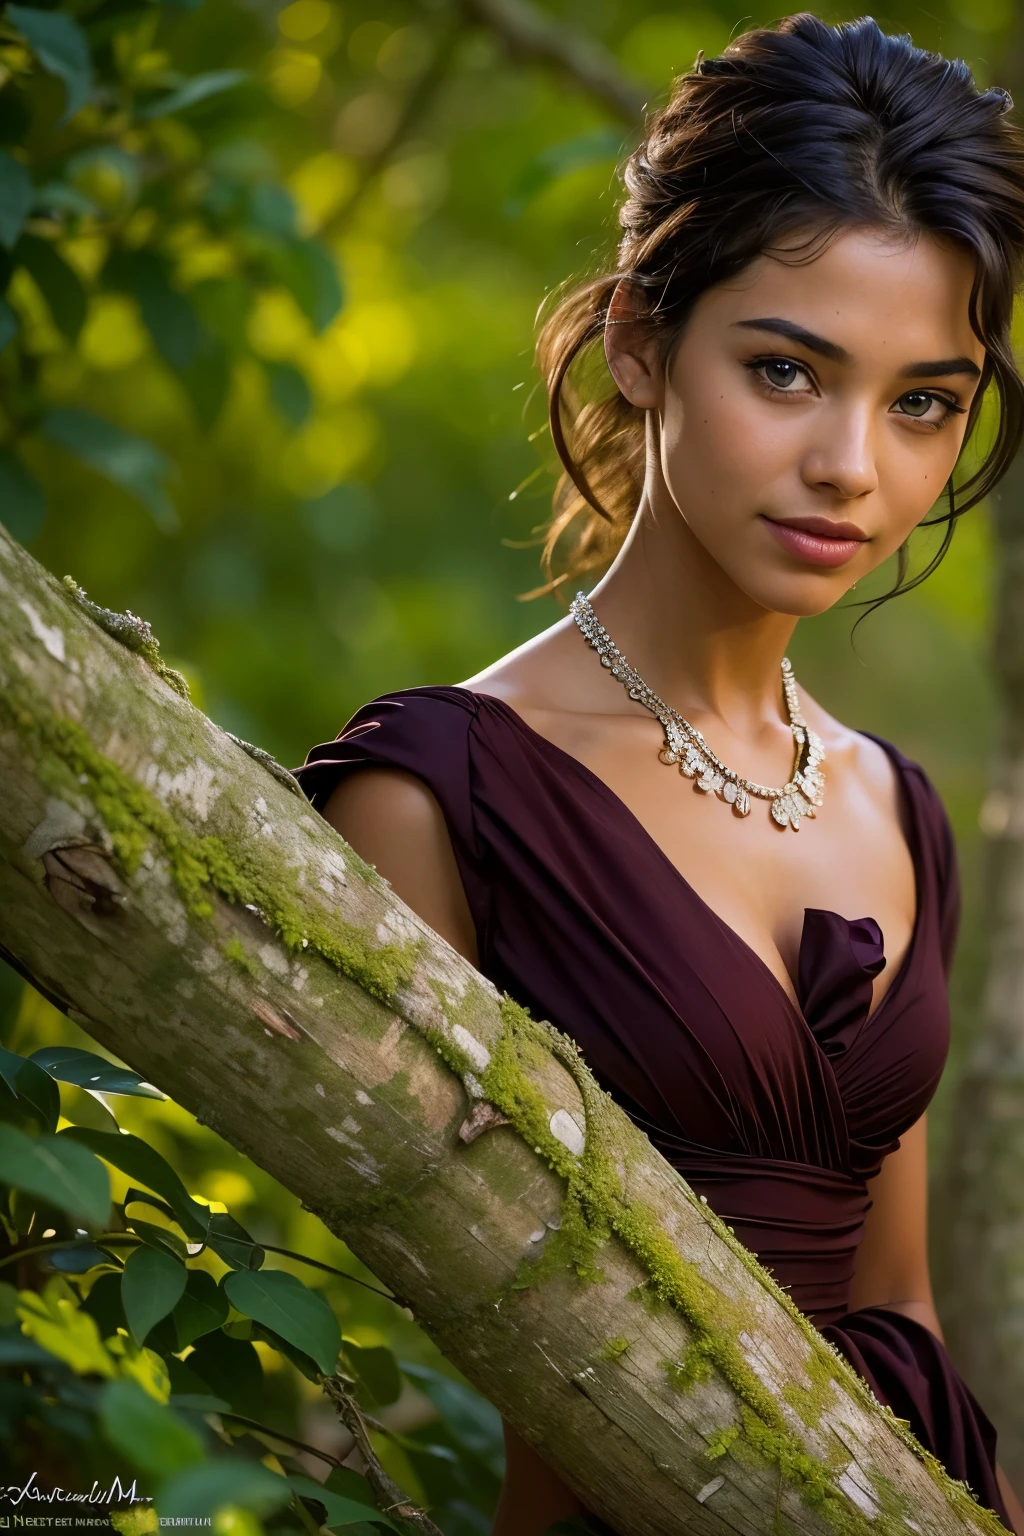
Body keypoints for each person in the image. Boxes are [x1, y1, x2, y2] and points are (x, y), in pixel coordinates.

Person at [293, 14, 1024, 1534]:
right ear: (638, 341)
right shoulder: (437, 796)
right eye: (785, 371)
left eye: (923, 402)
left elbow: (905, 1308)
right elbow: (504, 1350)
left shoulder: (896, 804)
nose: (852, 467)